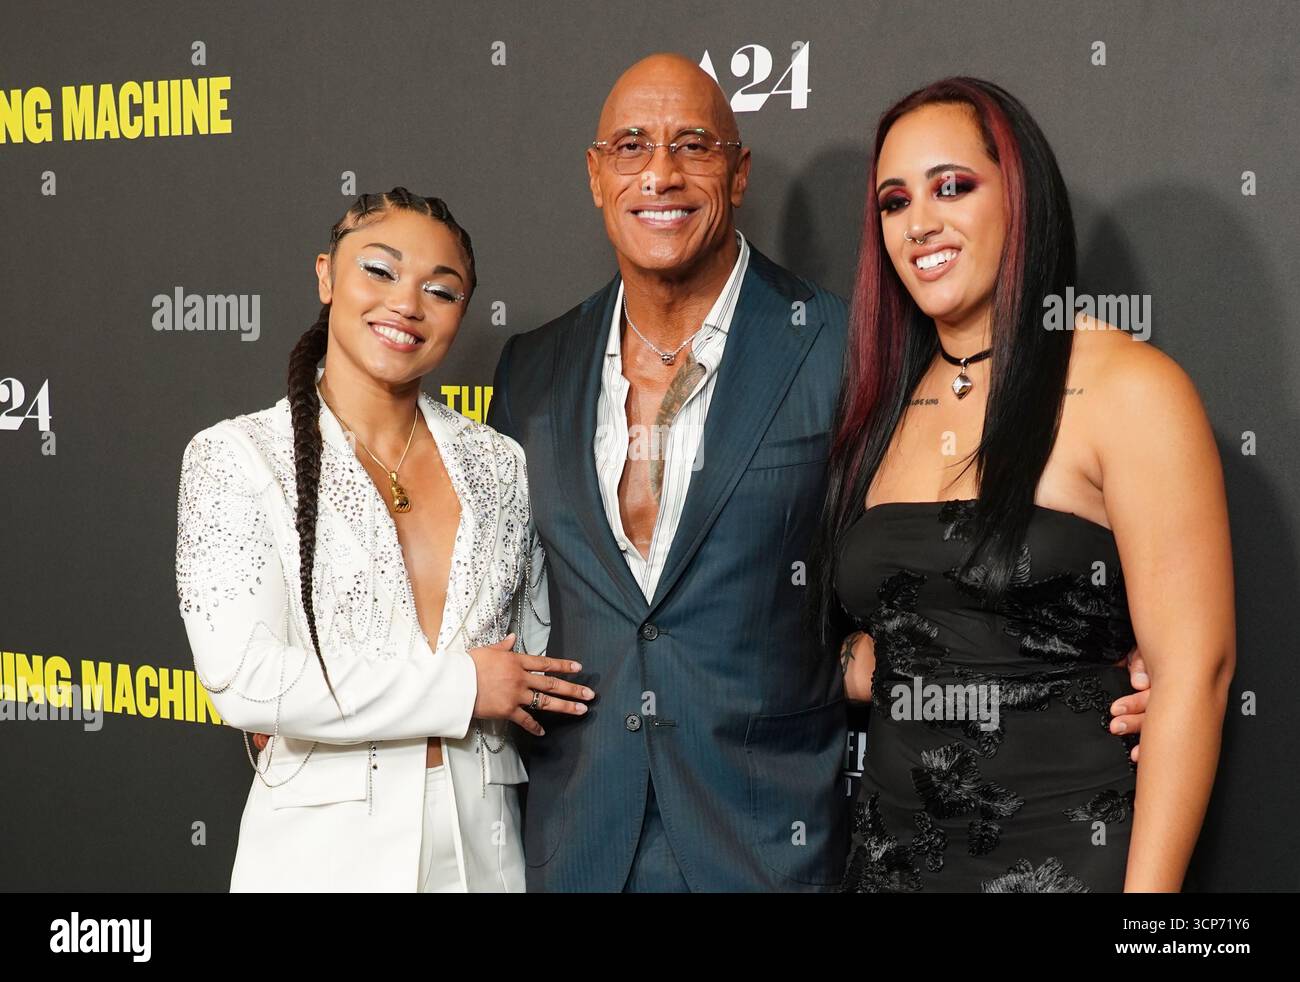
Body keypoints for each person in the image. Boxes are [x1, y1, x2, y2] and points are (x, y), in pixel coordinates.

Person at [489, 54, 1154, 892]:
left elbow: (947, 558)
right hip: (578, 844)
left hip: (770, 847)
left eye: (693, 144)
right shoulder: (530, 371)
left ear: (738, 174)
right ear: (596, 174)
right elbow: (484, 585)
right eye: (630, 146)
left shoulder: (850, 352)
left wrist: (1103, 660)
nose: (660, 172)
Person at [813, 78, 1235, 892]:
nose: (920, 223)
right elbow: (895, 630)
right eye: (894, 202)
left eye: (953, 186)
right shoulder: (883, 405)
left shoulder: (1128, 387)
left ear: (1021, 195)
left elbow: (1196, 677)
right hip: (891, 863)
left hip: (1072, 859)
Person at [175, 188, 588, 892]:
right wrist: (463, 686)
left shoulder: (499, 464)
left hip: (485, 855)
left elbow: (528, 662)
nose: (407, 303)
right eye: (380, 270)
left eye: (442, 289)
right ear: (326, 277)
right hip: (318, 858)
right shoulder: (238, 456)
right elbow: (243, 680)